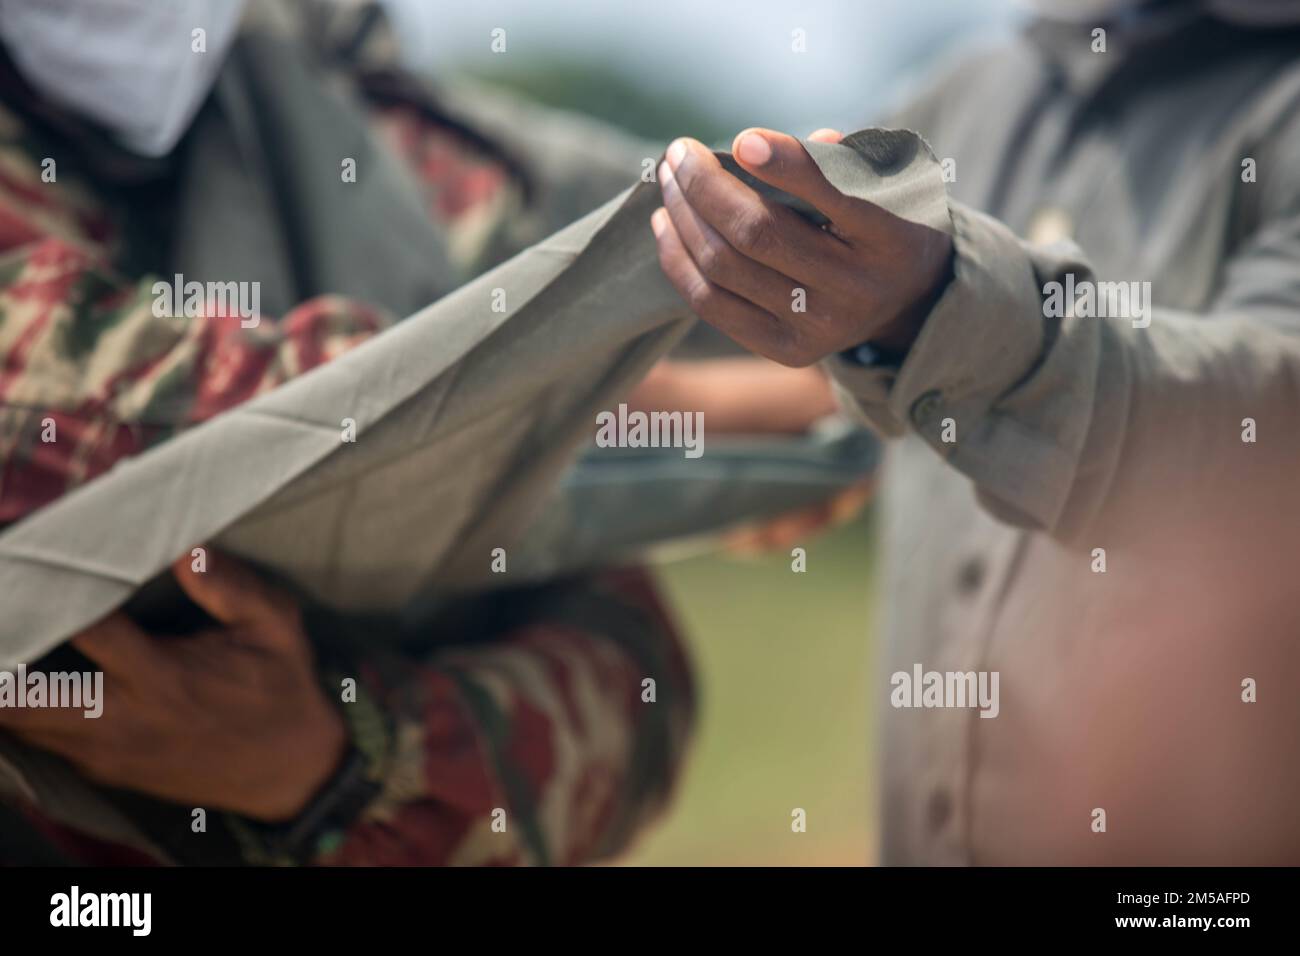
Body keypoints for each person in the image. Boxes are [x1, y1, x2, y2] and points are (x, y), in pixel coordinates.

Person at [0, 0, 694, 865]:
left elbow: (637, 675)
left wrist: (346, 757)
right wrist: (644, 396)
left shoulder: (305, 91)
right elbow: (75, 405)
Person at [644, 0, 1300, 863]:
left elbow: (1258, 422)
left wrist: (943, 308)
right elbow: (861, 345)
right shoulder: (985, 87)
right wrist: (664, 409)